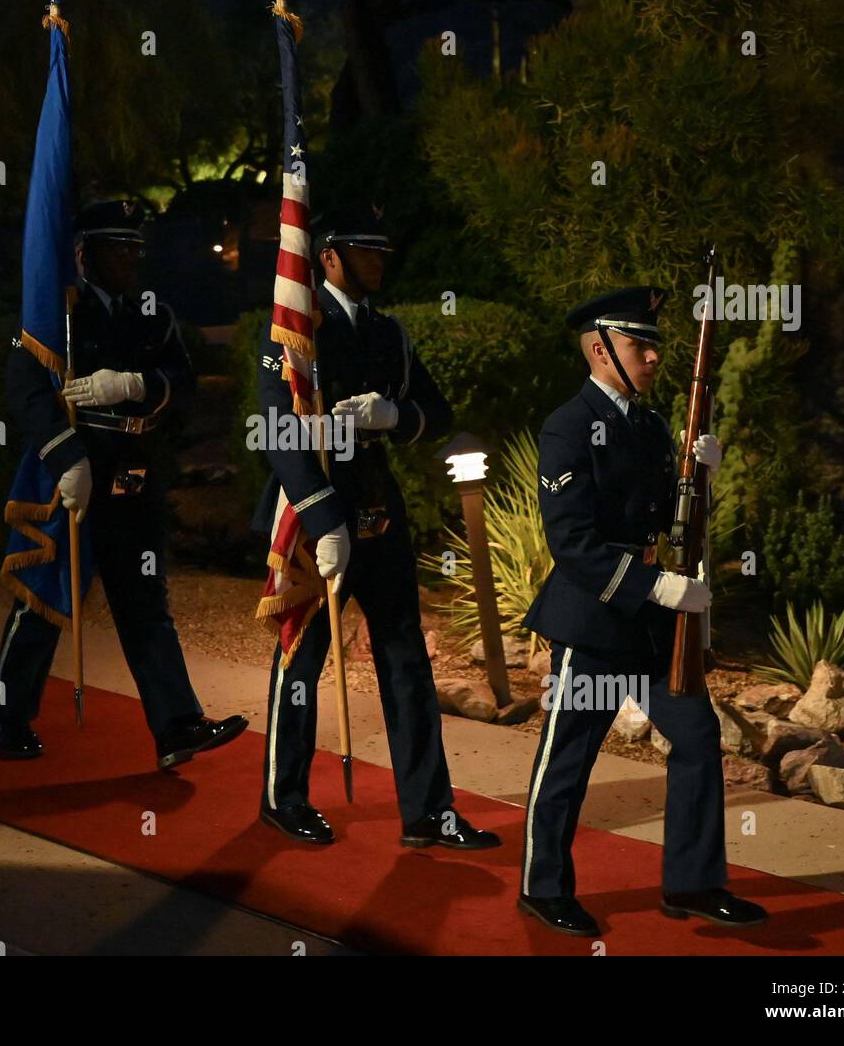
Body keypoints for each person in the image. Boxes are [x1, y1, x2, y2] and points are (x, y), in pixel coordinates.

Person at [517, 286, 767, 936]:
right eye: (639, 344)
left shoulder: (653, 426)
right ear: (601, 350)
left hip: (655, 629)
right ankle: (543, 889)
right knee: (568, 758)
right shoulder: (567, 425)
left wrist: (698, 475)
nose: (654, 357)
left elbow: (673, 521)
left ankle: (692, 880)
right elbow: (571, 544)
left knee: (697, 738)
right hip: (595, 621)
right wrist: (653, 588)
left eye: (654, 344)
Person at [253, 201, 500, 850]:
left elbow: (436, 411)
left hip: (378, 511)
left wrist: (394, 415)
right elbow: (279, 428)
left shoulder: (389, 333)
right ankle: (284, 797)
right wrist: (320, 514)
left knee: (406, 661)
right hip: (317, 514)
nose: (379, 261)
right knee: (300, 660)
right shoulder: (297, 327)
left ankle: (428, 811)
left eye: (383, 251)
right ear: (328, 256)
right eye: (366, 250)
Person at [0, 199, 247, 765]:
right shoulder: (54, 315)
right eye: (117, 247)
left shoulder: (151, 313)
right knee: (44, 599)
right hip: (75, 472)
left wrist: (137, 382)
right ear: (84, 253)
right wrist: (63, 456)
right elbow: (27, 393)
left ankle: (177, 725)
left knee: (145, 603)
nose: (131, 257)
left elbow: (184, 380)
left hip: (133, 472)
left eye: (135, 246)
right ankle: (7, 714)